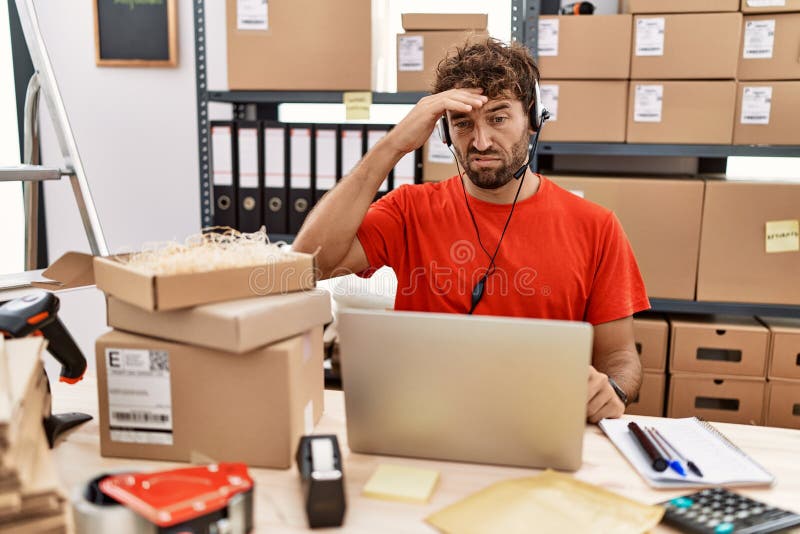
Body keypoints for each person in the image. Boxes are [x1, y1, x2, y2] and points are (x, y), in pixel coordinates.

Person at [293, 38, 650, 423]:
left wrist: (612, 391)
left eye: (498, 118)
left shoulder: (596, 227)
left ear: (533, 119)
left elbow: (620, 358)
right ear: (445, 133)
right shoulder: (408, 210)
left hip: (542, 429)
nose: (480, 142)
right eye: (462, 123)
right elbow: (307, 265)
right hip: (424, 425)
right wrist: (393, 145)